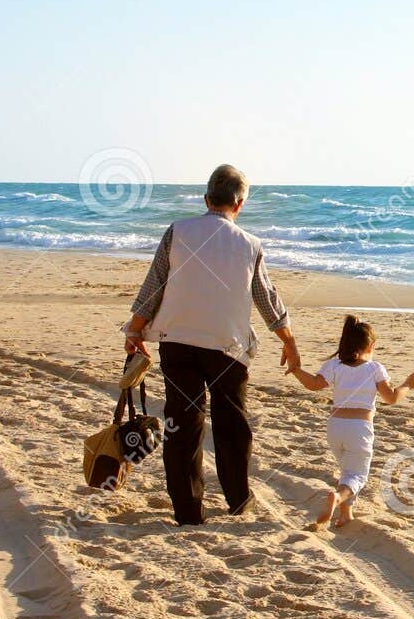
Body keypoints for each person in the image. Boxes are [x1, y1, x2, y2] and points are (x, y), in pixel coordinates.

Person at [123, 164, 301, 525]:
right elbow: (266, 298)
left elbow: (153, 286)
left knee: (183, 425)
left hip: (178, 342)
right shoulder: (249, 244)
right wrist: (288, 340)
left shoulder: (178, 231)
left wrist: (134, 331)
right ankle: (238, 500)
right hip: (228, 347)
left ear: (207, 199)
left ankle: (188, 510)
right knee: (232, 426)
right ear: (240, 204)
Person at [288, 314, 414, 528]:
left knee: (348, 471)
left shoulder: (334, 365)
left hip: (334, 427)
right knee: (357, 474)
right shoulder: (375, 368)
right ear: (371, 345)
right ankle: (338, 498)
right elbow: (391, 398)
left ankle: (345, 514)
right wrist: (408, 384)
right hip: (359, 428)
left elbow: (313, 384)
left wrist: (295, 370)